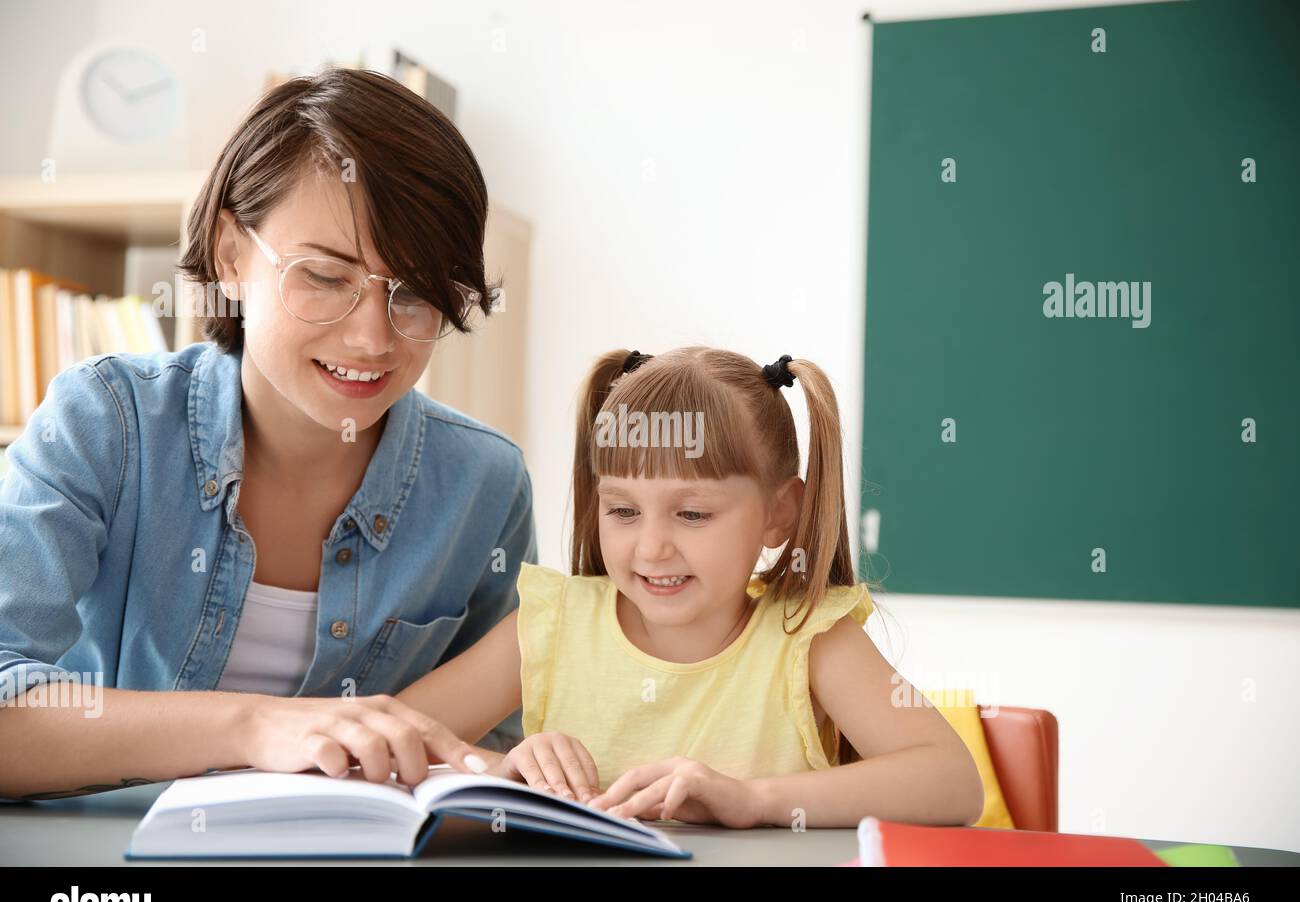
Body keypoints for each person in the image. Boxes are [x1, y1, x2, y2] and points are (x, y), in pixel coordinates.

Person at [0, 69, 533, 801]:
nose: (373, 337)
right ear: (230, 256)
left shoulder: (485, 484)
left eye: (415, 293)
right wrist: (254, 727)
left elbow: (494, 755)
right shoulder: (106, 423)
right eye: (324, 276)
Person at [394, 347, 985, 827]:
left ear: (781, 512)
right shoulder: (551, 626)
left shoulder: (809, 638)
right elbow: (386, 741)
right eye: (623, 511)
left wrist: (753, 801)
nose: (651, 548)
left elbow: (953, 783)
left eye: (693, 515)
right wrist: (500, 771)